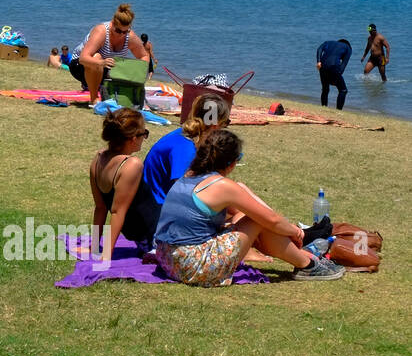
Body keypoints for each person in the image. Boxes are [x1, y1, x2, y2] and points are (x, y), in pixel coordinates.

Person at [154, 129, 344, 286]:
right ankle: (308, 263)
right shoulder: (221, 186)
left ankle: (305, 256)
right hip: (190, 265)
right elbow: (271, 220)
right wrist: (296, 232)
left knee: (247, 201)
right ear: (230, 163)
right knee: (257, 219)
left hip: (167, 259)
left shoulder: (190, 176)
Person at [139, 93, 229, 222]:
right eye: (225, 123)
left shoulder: (184, 136)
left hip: (150, 207)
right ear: (215, 125)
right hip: (156, 216)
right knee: (242, 217)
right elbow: (183, 194)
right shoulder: (185, 148)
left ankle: (100, 241)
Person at [88, 107, 154, 262]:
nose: (144, 138)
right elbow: (118, 212)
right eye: (144, 134)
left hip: (139, 235)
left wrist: (95, 246)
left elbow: (100, 208)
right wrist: (107, 255)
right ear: (133, 139)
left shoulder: (98, 159)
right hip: (155, 236)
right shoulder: (131, 165)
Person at [66, 3, 149, 103]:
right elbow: (83, 58)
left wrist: (139, 71)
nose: (121, 35)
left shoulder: (130, 36)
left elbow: (144, 56)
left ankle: (113, 93)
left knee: (123, 66)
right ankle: (94, 98)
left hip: (105, 69)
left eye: (125, 31)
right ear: (112, 23)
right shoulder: (101, 32)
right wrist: (102, 63)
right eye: (118, 31)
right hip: (79, 65)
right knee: (97, 56)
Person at [316, 38, 352, 110]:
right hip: (334, 66)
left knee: (325, 89)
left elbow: (319, 49)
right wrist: (336, 78)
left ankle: (324, 108)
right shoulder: (348, 48)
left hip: (322, 66)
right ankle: (338, 110)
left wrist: (318, 61)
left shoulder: (328, 42)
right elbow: (343, 64)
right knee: (343, 90)